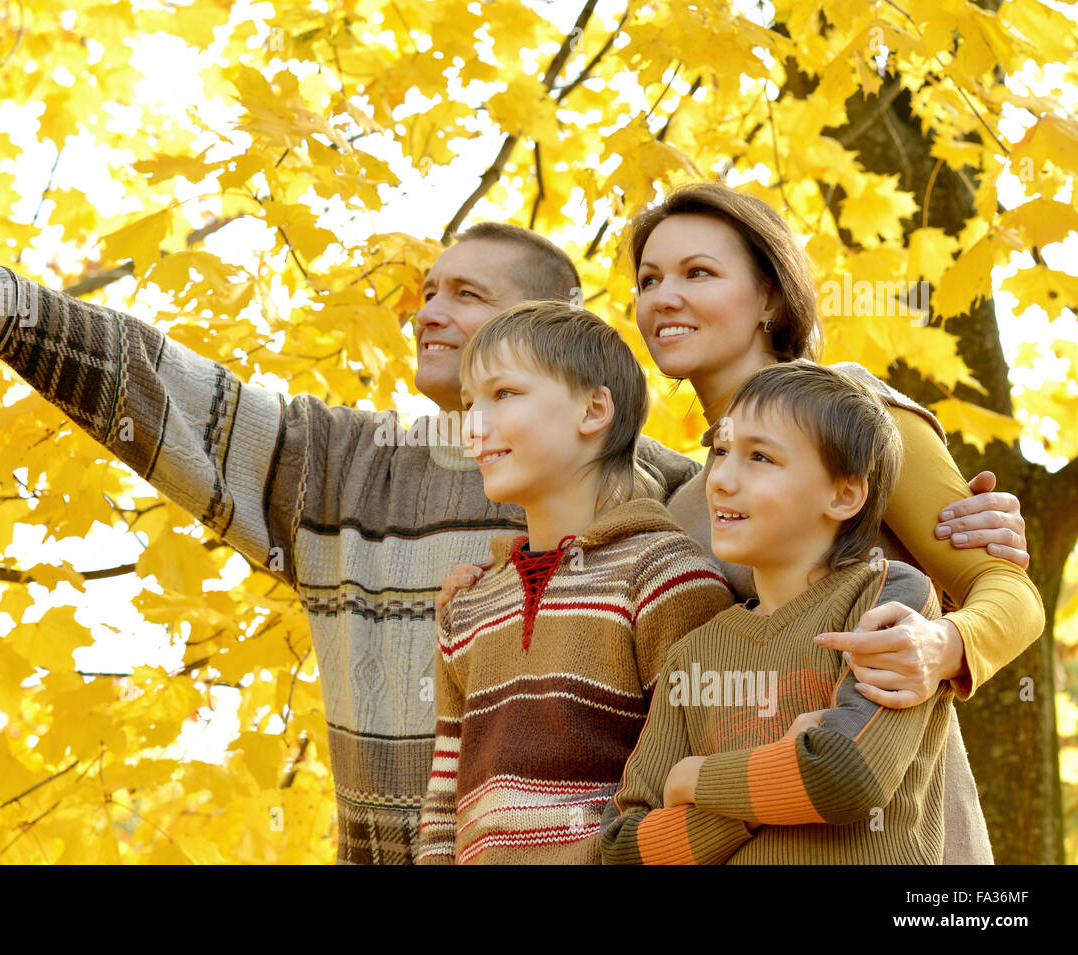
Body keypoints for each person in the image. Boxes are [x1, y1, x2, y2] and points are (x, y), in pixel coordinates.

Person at [0, 211, 1025, 864]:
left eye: (470, 297)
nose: (430, 312)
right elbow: (165, 390)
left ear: (564, 354)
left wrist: (960, 591)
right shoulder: (355, 471)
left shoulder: (684, 512)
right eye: (427, 293)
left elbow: (749, 737)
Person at [629, 183, 1046, 862]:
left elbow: (1009, 594)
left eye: (697, 272)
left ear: (769, 296)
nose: (663, 296)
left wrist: (941, 645)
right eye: (649, 278)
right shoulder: (685, 500)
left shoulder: (856, 411)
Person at [602, 362, 963, 863]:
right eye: (721, 452)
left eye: (760, 457)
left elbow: (846, 775)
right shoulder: (693, 653)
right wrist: (777, 773)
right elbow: (624, 848)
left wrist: (694, 778)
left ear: (843, 495)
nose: (723, 479)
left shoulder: (888, 597)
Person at [415, 303, 734, 864]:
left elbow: (707, 778)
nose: (473, 425)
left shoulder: (665, 577)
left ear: (593, 409)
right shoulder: (468, 604)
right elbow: (444, 801)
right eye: (468, 405)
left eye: (504, 394)